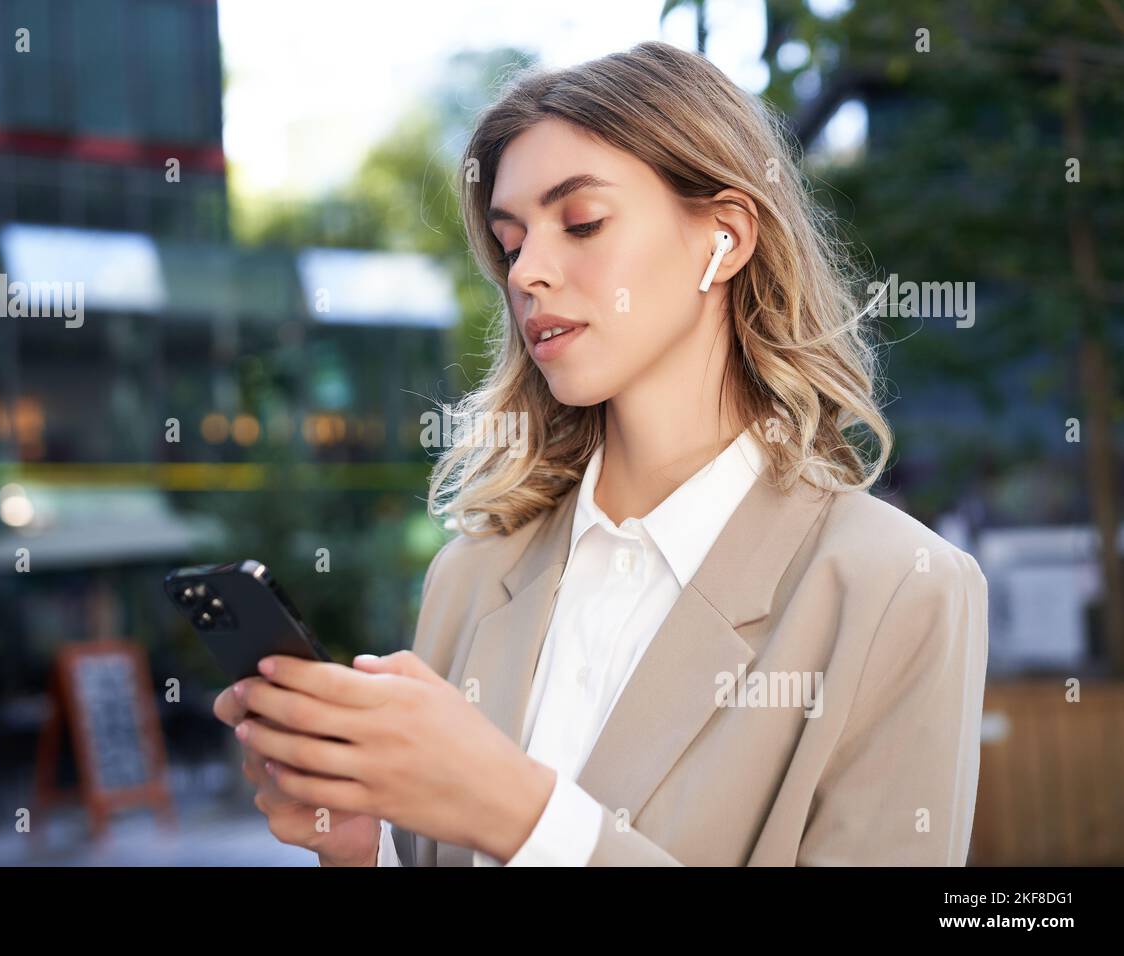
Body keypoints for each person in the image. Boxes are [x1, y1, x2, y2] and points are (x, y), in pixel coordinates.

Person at [212, 41, 988, 867]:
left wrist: (521, 814)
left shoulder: (899, 590)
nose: (528, 274)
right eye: (511, 243)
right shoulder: (470, 577)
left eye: (581, 222)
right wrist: (361, 850)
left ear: (724, 239)